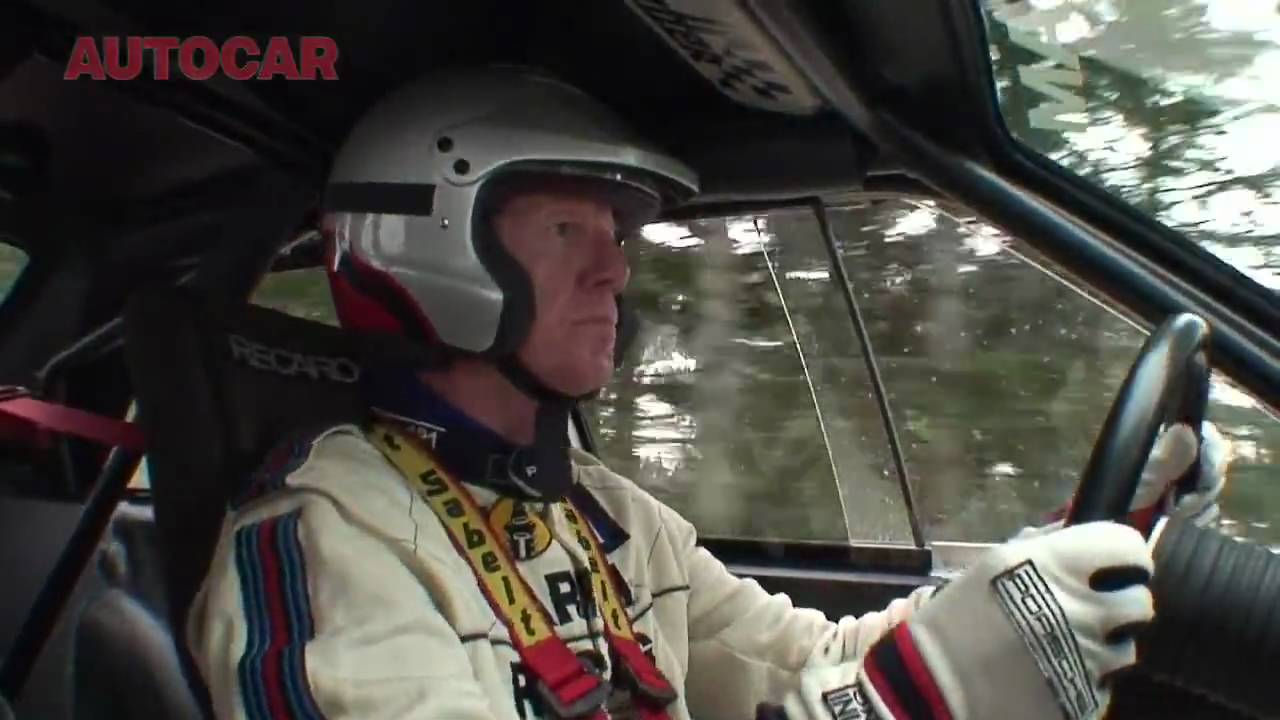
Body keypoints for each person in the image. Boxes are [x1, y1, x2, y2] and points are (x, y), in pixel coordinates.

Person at [185, 67, 1230, 720]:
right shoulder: (324, 540)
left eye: (617, 237)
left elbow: (803, 664)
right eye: (565, 232)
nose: (614, 271)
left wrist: (1024, 596)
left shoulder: (600, 514)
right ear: (425, 244)